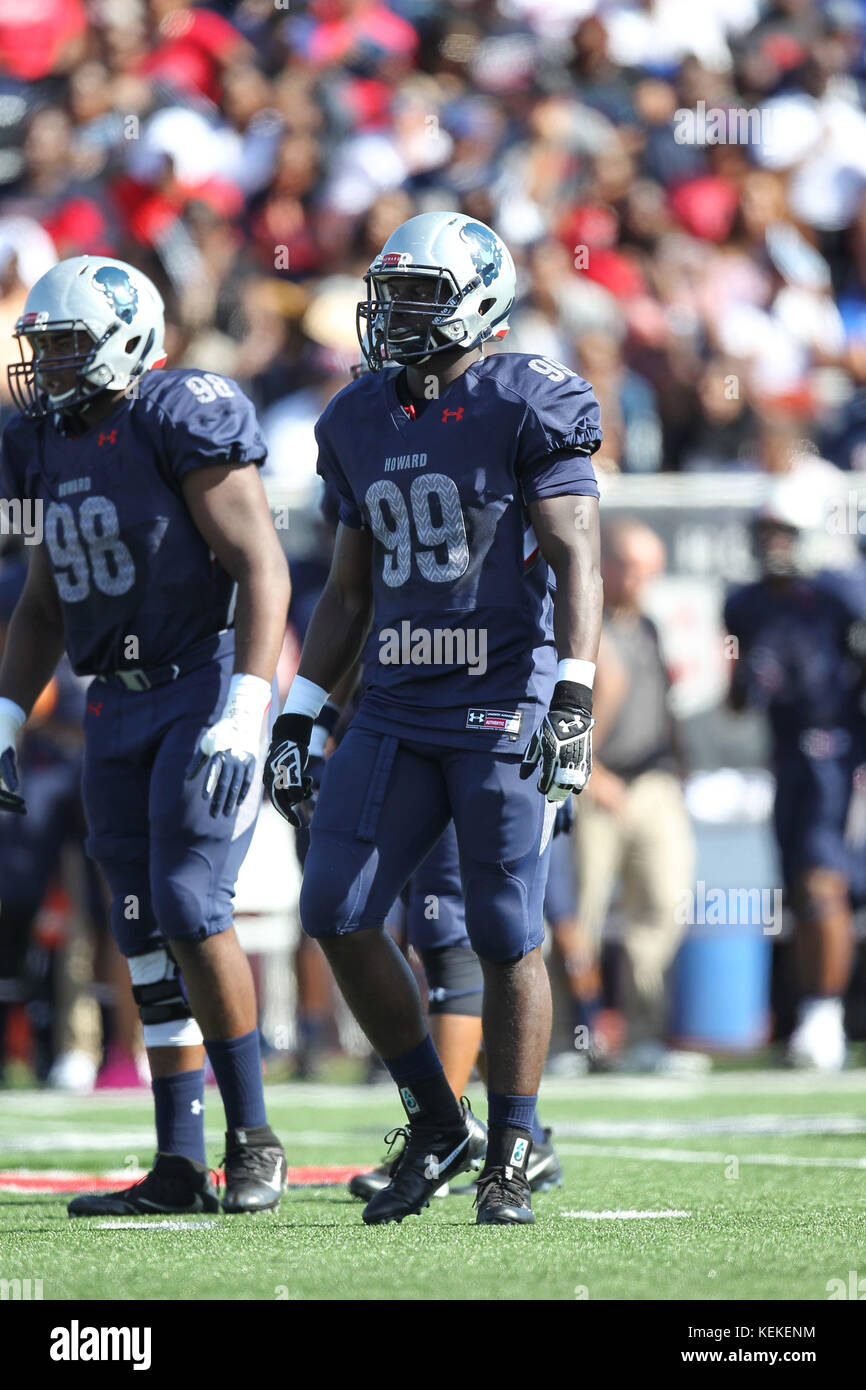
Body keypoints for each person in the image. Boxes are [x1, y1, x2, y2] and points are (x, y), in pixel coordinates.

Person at [265, 211, 602, 1226]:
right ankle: (436, 1121)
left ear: (479, 303)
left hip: (501, 697)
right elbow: (348, 592)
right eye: (390, 292)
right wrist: (300, 712)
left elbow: (578, 555)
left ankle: (512, 1149)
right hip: (396, 703)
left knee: (502, 928)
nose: (392, 312)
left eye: (418, 294)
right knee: (334, 908)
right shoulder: (356, 417)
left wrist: (574, 693)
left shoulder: (526, 399)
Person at [0, 255, 292, 1214]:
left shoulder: (178, 413)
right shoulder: (42, 439)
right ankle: (179, 1161)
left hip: (198, 684)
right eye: (41, 346)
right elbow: (44, 602)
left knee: (189, 903)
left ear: (127, 341)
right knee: (140, 930)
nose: (46, 365)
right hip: (111, 706)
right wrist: (6, 715)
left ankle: (254, 1139)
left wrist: (248, 703)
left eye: (66, 345)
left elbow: (261, 564)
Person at [725, 483, 865, 1070]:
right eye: (765, 532)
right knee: (802, 892)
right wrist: (745, 673)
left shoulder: (840, 594)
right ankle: (812, 1012)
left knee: (823, 885)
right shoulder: (746, 603)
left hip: (840, 754)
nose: (771, 545)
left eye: (782, 532)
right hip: (787, 758)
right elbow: (737, 699)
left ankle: (826, 1015)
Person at [575, 517, 695, 1065]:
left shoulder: (648, 626)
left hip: (652, 783)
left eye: (650, 569)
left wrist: (678, 768)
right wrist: (592, 773)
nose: (642, 579)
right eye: (633, 566)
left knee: (663, 904)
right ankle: (569, 1039)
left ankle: (645, 1036)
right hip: (591, 783)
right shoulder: (581, 619)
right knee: (577, 916)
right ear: (608, 562)